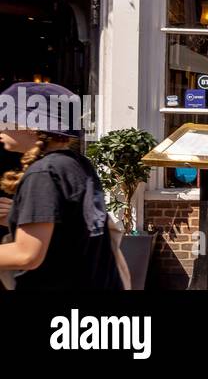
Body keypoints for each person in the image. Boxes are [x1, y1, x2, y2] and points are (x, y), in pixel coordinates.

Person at [0, 82, 123, 291]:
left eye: (5, 117)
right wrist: (21, 216)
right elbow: (73, 231)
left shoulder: (43, 173)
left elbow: (27, 255)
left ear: (31, 126)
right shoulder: (76, 164)